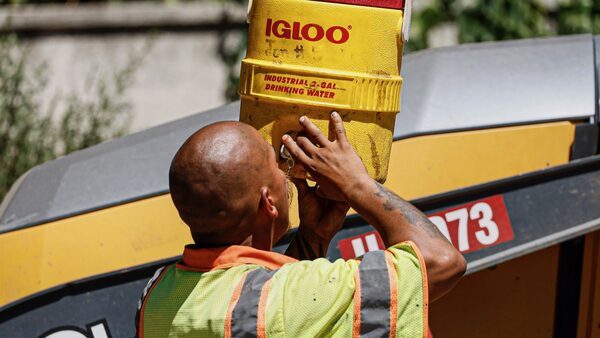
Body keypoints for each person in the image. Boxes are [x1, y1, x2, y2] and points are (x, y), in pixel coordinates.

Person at [135, 112, 466, 338]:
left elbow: (272, 313)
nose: (286, 174)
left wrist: (313, 237)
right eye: (277, 165)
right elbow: (440, 262)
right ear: (268, 203)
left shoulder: (156, 297)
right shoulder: (280, 300)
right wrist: (356, 184)